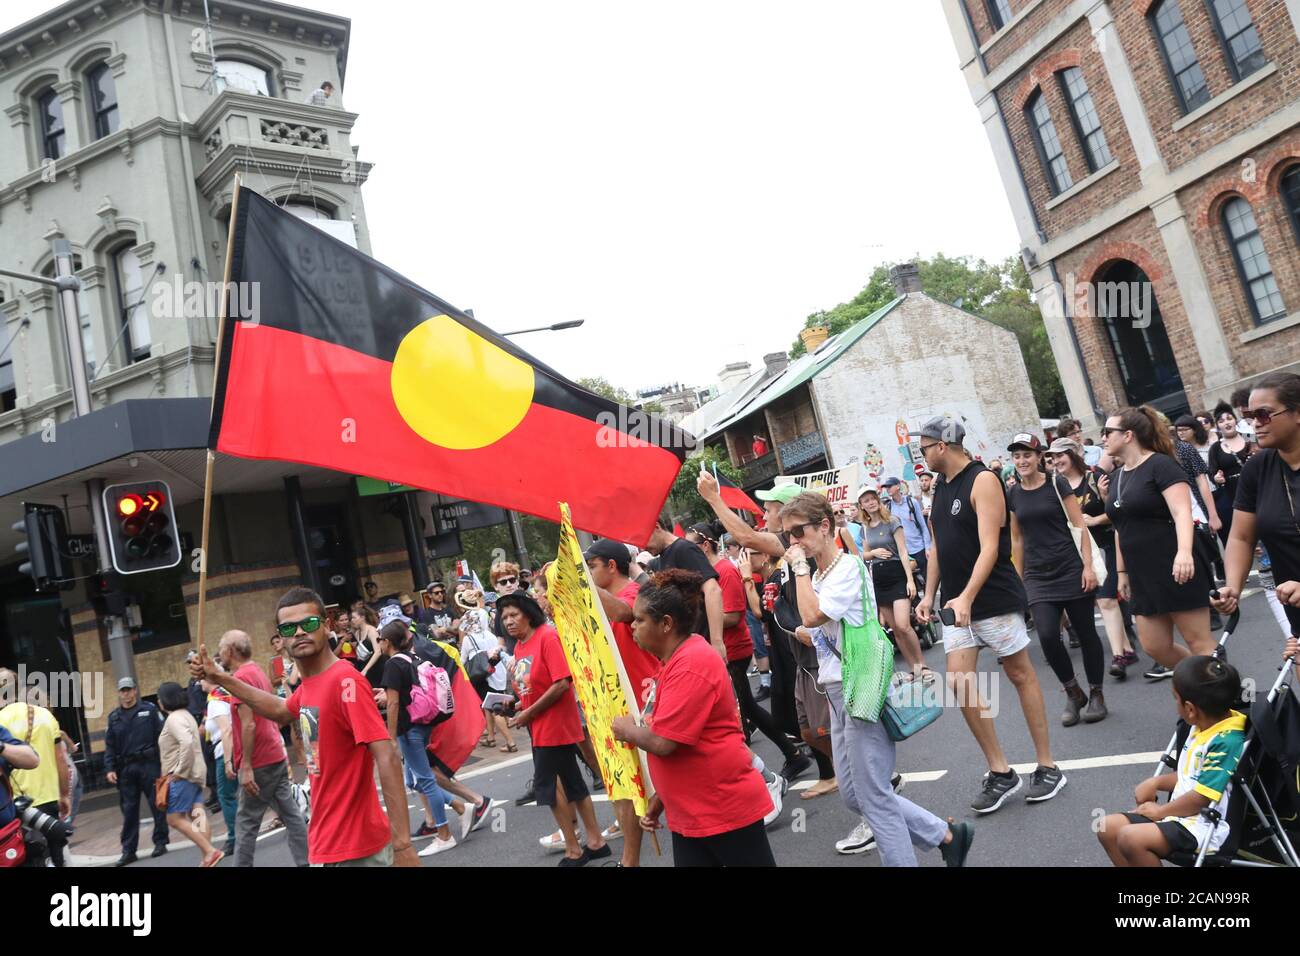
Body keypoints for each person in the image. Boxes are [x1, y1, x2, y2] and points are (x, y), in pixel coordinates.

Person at [781, 492, 974, 867]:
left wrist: (800, 571)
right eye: (787, 535)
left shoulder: (847, 567)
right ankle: (944, 835)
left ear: (824, 527)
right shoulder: (823, 572)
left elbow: (811, 614)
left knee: (873, 797)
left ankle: (928, 847)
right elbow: (818, 625)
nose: (792, 542)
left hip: (860, 684)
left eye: (798, 532)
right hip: (836, 690)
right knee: (855, 795)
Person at [192, 587, 419, 867]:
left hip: (359, 849)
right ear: (281, 637)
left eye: (308, 624)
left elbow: (386, 756)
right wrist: (219, 677)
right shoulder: (309, 685)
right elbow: (279, 710)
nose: (299, 632)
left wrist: (402, 845)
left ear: (326, 626)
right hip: (324, 843)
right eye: (288, 628)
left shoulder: (345, 680)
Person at [913, 416, 1065, 812]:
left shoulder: (983, 480)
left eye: (925, 447)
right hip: (956, 604)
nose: (922, 455)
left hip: (992, 598)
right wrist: (930, 595)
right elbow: (936, 548)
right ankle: (1000, 771)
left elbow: (991, 548)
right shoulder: (940, 488)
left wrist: (966, 596)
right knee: (961, 682)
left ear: (943, 445)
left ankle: (1047, 765)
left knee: (1019, 674)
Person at [611, 569, 779, 867]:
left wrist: (626, 730)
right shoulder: (675, 660)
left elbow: (665, 742)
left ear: (665, 624)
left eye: (639, 620)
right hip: (691, 811)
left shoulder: (691, 663)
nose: (632, 627)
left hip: (721, 808)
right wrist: (660, 800)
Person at [685, 522, 810, 781]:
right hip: (725, 650)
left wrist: (706, 617)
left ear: (705, 545)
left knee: (746, 707)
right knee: (747, 707)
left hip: (734, 650)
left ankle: (789, 756)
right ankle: (791, 754)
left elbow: (734, 615)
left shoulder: (724, 571)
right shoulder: (709, 571)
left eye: (690, 546)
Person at [496, 591, 610, 866]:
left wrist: (529, 712)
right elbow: (533, 686)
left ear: (528, 614)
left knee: (547, 788)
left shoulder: (547, 636)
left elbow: (561, 683)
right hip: (539, 724)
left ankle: (574, 849)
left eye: (514, 615)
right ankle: (596, 842)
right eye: (504, 617)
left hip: (555, 724)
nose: (508, 621)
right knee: (572, 783)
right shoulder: (520, 646)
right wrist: (515, 703)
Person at [1097, 656, 1245, 866]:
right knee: (1106, 827)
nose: (1175, 704)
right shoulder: (1201, 725)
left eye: (1175, 698)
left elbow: (1201, 797)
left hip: (1203, 825)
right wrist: (1155, 783)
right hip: (1179, 816)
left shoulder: (1225, 741)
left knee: (1131, 838)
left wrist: (1159, 811)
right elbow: (1189, 775)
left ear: (1191, 709)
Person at [1101, 406, 1214, 676]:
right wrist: (1121, 572)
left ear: (1128, 435)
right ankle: (1202, 678)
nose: (1103, 438)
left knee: (1199, 643)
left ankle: (1222, 696)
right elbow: (1120, 527)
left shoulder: (1161, 465)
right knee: (1154, 646)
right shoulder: (1117, 477)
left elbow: (1182, 512)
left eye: (1107, 432)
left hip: (1174, 562)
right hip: (1141, 572)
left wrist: (1184, 552)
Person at [1006, 433, 1107, 725]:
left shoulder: (1056, 483)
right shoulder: (1013, 493)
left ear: (1040, 458)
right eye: (1017, 455)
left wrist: (1087, 567)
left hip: (1070, 567)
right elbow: (1016, 538)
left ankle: (1097, 693)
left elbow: (1079, 526)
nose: (1022, 460)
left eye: (1027, 454)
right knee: (1048, 635)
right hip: (1037, 575)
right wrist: (1020, 579)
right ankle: (1073, 691)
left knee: (1086, 632)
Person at [582, 538, 660, 866]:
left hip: (647, 699)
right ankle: (629, 861)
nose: (587, 573)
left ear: (611, 566)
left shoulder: (632, 594)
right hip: (619, 705)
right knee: (624, 783)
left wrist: (579, 579)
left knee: (671, 775)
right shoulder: (604, 600)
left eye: (591, 567)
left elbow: (627, 613)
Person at [377, 620, 475, 858]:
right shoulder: (413, 659)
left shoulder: (392, 664)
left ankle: (444, 835)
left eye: (380, 639)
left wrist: (390, 738)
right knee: (415, 780)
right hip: (422, 725)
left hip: (407, 729)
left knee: (425, 780)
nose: (378, 644)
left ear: (387, 642)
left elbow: (393, 702)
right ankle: (459, 805)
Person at [1213, 373, 1300, 639]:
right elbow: (1241, 536)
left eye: (1263, 414)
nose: (1254, 424)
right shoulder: (1257, 468)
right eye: (1249, 417)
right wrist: (1233, 587)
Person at [215, 630, 309, 867]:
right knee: (291, 815)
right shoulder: (256, 670)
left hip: (259, 759)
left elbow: (248, 724)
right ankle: (307, 861)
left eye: (221, 648)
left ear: (230, 651)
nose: (220, 653)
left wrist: (245, 765)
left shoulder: (241, 679)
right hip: (274, 751)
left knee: (246, 823)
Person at [1048, 437, 1139, 680]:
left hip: (1109, 545)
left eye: (1061, 455)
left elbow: (1117, 513)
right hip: (1084, 551)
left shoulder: (1095, 477)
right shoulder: (1056, 486)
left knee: (1107, 599)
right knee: (1105, 601)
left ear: (1075, 454)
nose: (1056, 461)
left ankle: (1119, 655)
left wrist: (1100, 509)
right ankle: (1127, 650)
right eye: (1053, 457)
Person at [856, 484, 931, 684]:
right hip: (878, 579)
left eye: (872, 498)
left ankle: (922, 665)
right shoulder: (863, 528)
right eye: (866, 500)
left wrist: (910, 580)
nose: (870, 502)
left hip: (897, 574)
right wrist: (873, 553)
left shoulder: (892, 521)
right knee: (894, 630)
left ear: (878, 500)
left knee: (904, 625)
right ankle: (913, 669)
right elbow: (862, 555)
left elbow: (903, 551)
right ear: (861, 505)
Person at [0, 674, 70, 866]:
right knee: (55, 856)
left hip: (19, 804)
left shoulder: (1, 720)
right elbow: (60, 759)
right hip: (48, 797)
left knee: (30, 855)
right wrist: (64, 794)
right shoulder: (45, 716)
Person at [102, 675, 169, 866]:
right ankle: (129, 850)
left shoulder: (149, 711)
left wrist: (165, 763)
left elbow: (162, 736)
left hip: (149, 764)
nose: (126, 694)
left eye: (129, 690)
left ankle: (160, 842)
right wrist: (110, 768)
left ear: (135, 691)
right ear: (119, 693)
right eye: (123, 691)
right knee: (129, 811)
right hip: (126, 769)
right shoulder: (114, 718)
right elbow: (110, 746)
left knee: (157, 805)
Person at [156, 682, 224, 867]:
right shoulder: (186, 715)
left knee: (174, 819)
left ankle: (210, 851)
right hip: (196, 774)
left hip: (181, 776)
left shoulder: (173, 719)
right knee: (198, 815)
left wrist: (179, 771)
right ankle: (208, 857)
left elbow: (185, 742)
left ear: (164, 700)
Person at [457, 588, 513, 751]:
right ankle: (491, 736)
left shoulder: (468, 639)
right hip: (497, 673)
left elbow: (462, 660)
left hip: (482, 676)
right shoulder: (491, 636)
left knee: (494, 708)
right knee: (489, 705)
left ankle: (510, 742)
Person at [1208, 401, 1256, 548]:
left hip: (1256, 486)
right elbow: (1212, 472)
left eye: (1229, 418)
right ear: (1217, 426)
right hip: (1233, 493)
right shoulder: (1215, 448)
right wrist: (1217, 478)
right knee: (1247, 527)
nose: (1226, 423)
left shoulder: (1249, 437)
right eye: (1221, 421)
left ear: (1235, 420)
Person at [202, 676, 238, 858]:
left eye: (200, 679)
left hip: (225, 750)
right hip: (233, 747)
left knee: (226, 795)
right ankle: (292, 816)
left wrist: (227, 760)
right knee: (261, 790)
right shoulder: (225, 694)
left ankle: (234, 837)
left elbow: (226, 730)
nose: (199, 683)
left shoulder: (216, 701)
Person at [884, 475, 933, 580]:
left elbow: (923, 526)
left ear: (897, 486)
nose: (887, 489)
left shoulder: (912, 502)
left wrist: (927, 547)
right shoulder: (888, 507)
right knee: (910, 581)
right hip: (903, 551)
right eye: (886, 487)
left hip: (919, 548)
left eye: (890, 486)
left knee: (928, 579)